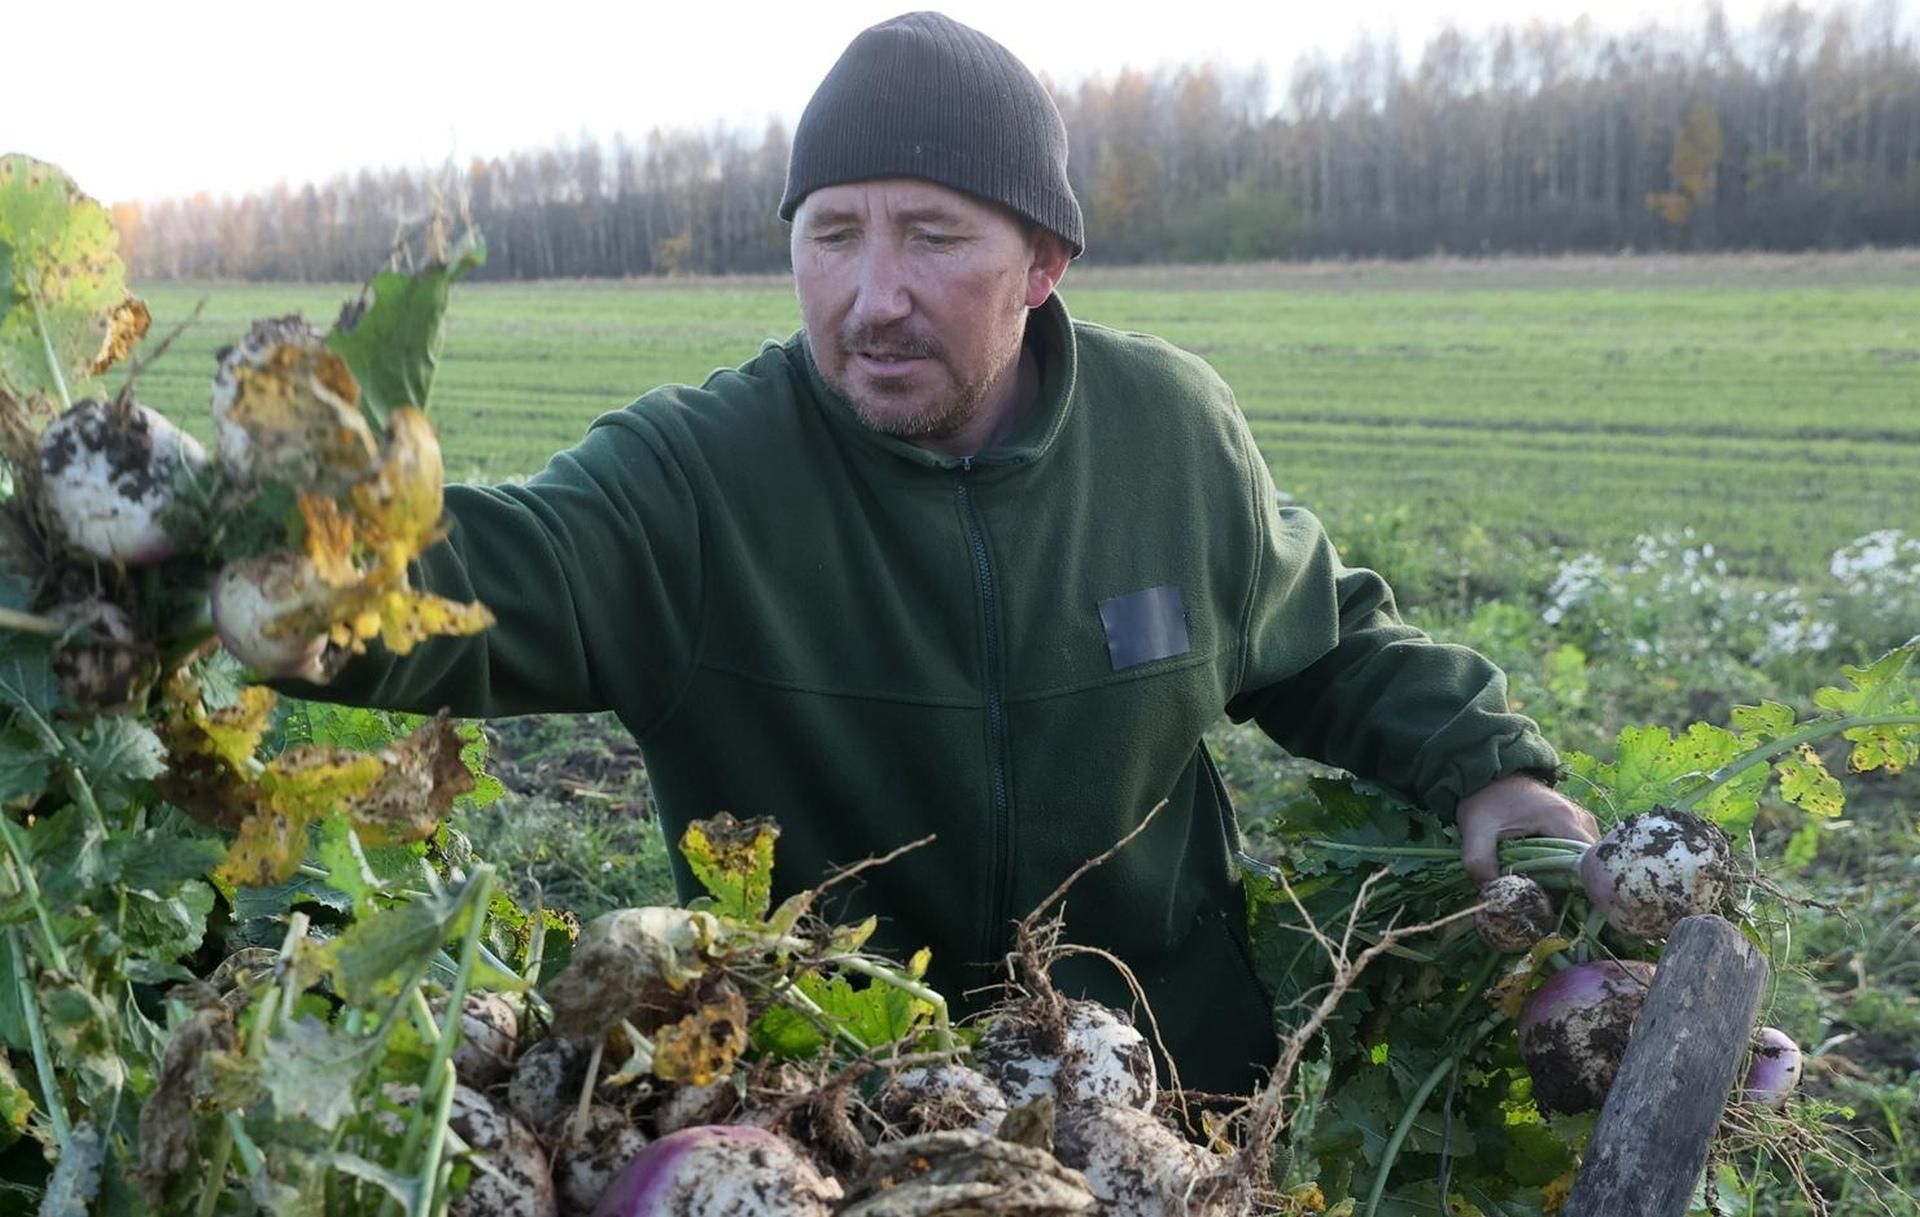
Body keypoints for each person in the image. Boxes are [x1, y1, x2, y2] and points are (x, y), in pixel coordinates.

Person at [294, 10, 1598, 1097]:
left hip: (1173, 1103)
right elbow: (451, 582)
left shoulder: (1169, 435)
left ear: (1041, 260)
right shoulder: (696, 482)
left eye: (931, 234)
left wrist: (1489, 772)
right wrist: (211, 564)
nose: (873, 298)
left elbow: (1324, 641)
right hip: (830, 1113)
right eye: (833, 235)